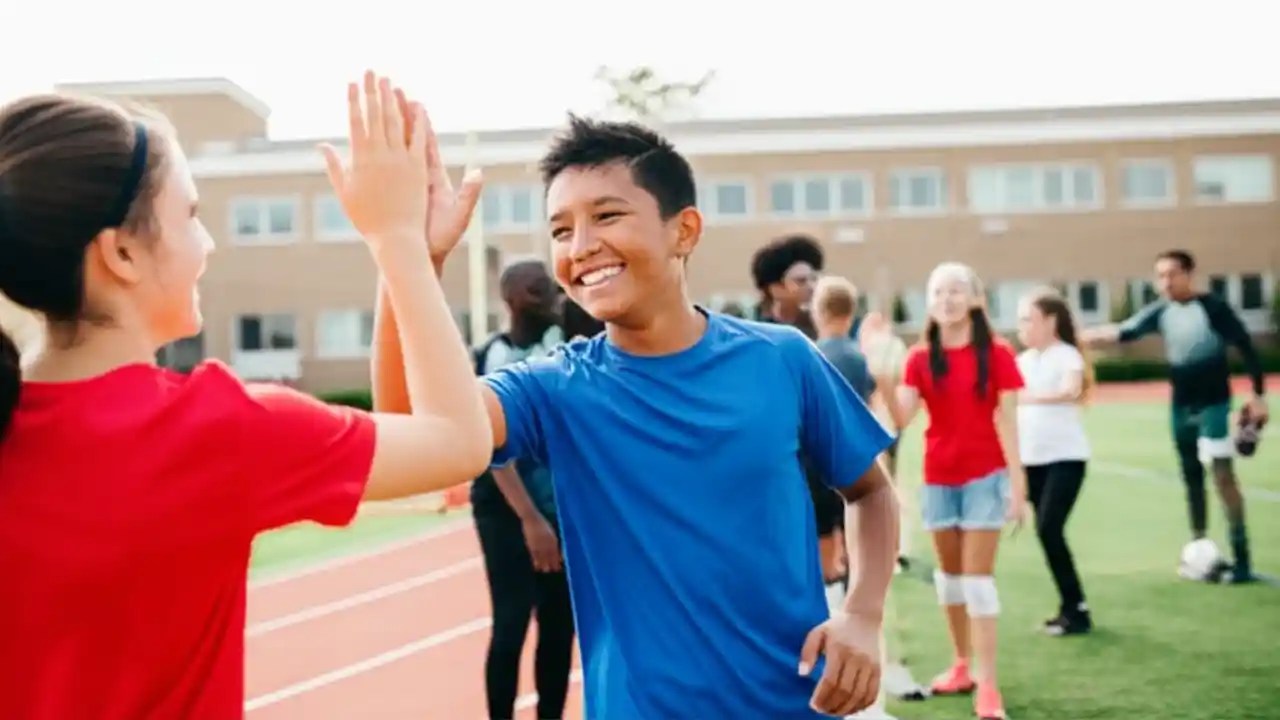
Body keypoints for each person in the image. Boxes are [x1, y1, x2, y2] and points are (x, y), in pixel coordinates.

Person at [375, 112, 901, 719]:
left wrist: (862, 613)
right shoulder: (554, 389)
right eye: (561, 229)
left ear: (684, 230)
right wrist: (408, 259)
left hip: (795, 703)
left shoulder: (781, 359)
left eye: (606, 215)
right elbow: (407, 435)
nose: (581, 246)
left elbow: (871, 492)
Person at [0, 72, 492, 718]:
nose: (208, 244)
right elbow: (457, 442)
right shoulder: (214, 431)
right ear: (120, 253)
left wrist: (408, 260)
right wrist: (397, 243)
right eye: (192, 216)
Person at [881, 261, 1028, 720]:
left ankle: (989, 687)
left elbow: (1007, 421)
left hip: (986, 478)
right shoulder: (920, 359)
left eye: (956, 291)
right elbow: (900, 419)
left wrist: (1018, 486)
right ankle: (961, 665)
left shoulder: (998, 353)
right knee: (950, 583)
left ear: (975, 299)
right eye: (938, 292)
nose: (947, 299)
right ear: (930, 302)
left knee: (978, 584)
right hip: (938, 479)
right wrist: (884, 376)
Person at [1082, 250, 1267, 584]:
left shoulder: (1213, 308)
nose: (1165, 282)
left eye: (1172, 274)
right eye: (1160, 276)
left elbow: (1245, 346)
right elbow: (1123, 333)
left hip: (1214, 405)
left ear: (1189, 275)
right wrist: (1074, 336)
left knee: (1222, 475)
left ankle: (1242, 558)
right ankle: (1200, 548)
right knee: (1191, 477)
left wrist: (1258, 396)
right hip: (1180, 407)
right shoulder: (1161, 311)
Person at [468, 258, 576, 720]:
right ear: (511, 299)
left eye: (551, 287)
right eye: (537, 289)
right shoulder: (489, 358)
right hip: (506, 510)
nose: (551, 297)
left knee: (559, 627)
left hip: (561, 509)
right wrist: (531, 520)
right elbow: (493, 448)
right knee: (511, 623)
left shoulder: (568, 351)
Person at [1015, 288, 1094, 636]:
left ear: (1050, 321)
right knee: (1046, 533)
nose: (1022, 326)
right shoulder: (1022, 362)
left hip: (1066, 458)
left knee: (1049, 528)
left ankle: (1077, 607)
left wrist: (1028, 397)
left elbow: (1072, 390)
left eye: (1027, 319)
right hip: (1032, 462)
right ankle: (1070, 606)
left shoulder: (1066, 356)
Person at [750, 233, 823, 339]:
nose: (811, 287)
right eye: (801, 281)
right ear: (775, 289)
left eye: (814, 279)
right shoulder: (753, 330)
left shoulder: (824, 328)